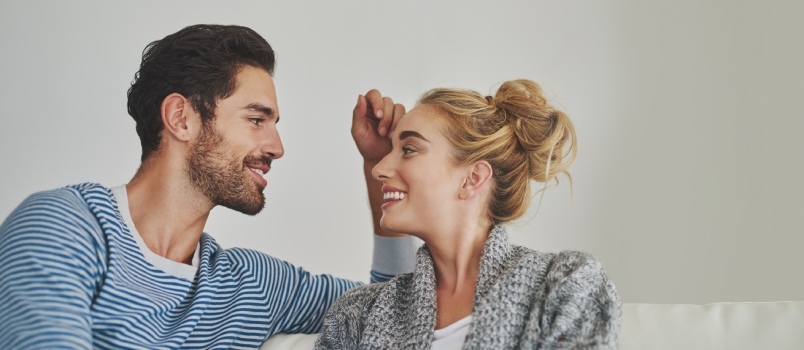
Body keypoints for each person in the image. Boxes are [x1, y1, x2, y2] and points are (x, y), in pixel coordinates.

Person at [0, 24, 417, 349]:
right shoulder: (62, 228)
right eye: (256, 120)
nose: (277, 147)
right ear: (181, 118)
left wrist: (381, 167)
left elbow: (395, 316)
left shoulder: (251, 285)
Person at [315, 80, 622, 349]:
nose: (380, 169)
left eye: (408, 149)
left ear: (473, 178)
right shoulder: (357, 315)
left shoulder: (565, 288)